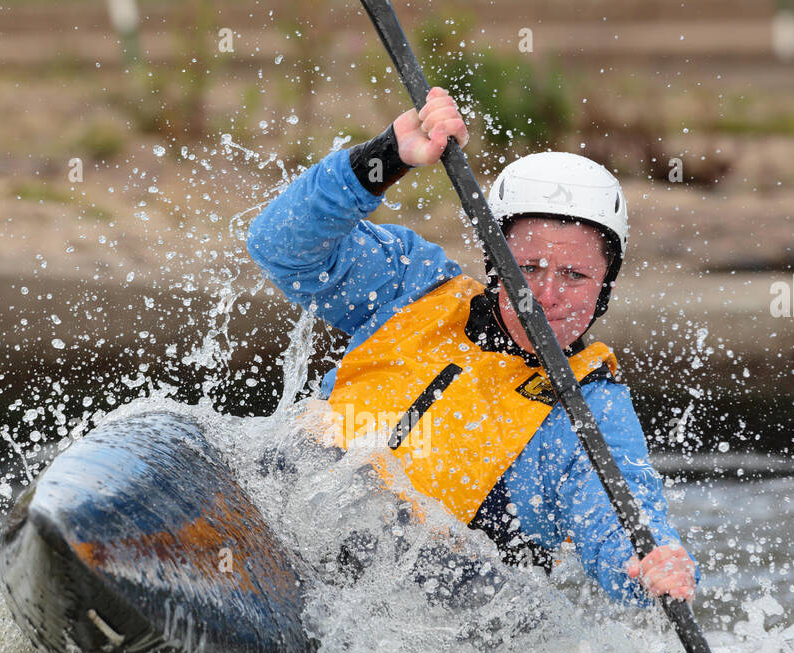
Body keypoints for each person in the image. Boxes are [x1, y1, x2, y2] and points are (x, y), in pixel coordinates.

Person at [247, 88, 697, 607]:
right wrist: (388, 155)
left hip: (416, 612)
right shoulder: (409, 286)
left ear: (605, 290)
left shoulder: (591, 413)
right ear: (493, 259)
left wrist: (650, 564)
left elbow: (620, 525)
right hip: (290, 520)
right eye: (527, 268)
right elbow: (280, 245)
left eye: (575, 276)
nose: (546, 297)